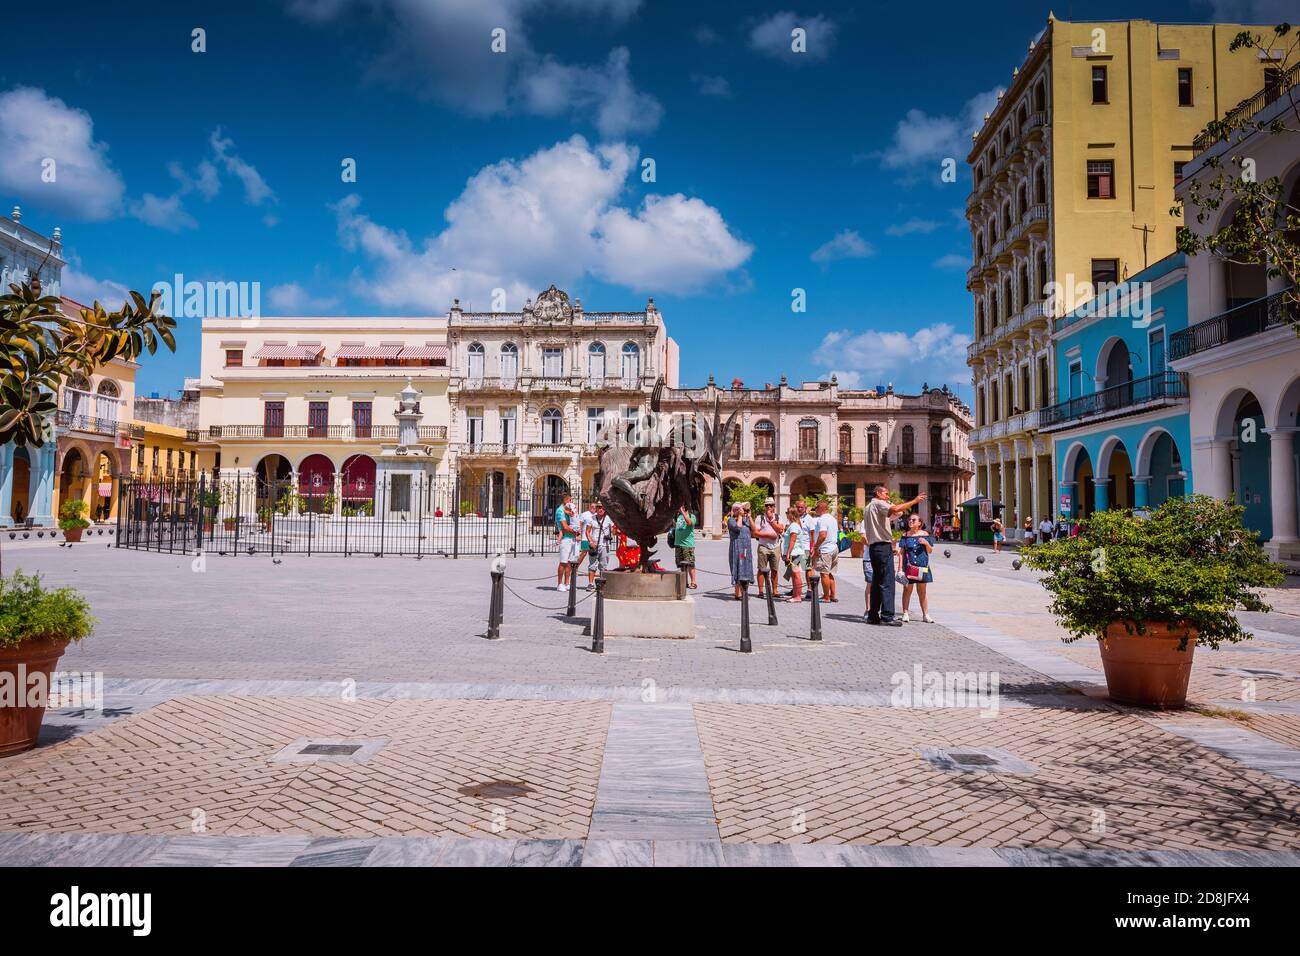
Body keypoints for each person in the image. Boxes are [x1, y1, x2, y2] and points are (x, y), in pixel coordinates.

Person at [861, 484, 926, 626]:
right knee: (887, 581)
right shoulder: (879, 504)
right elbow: (896, 509)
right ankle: (887, 615)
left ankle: (873, 615)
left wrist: (893, 505)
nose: (887, 496)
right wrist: (915, 501)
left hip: (874, 548)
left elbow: (897, 513)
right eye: (885, 493)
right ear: (878, 493)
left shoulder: (869, 507)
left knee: (877, 582)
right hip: (882, 546)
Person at [897, 513, 936, 623]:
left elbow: (930, 551)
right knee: (907, 590)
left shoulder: (925, 534)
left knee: (922, 591)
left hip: (922, 567)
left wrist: (926, 543)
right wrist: (900, 568)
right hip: (908, 567)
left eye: (914, 520)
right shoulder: (905, 535)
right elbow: (901, 553)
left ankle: (926, 615)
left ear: (920, 523)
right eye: (910, 520)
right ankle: (905, 613)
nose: (911, 521)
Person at [810, 498, 840, 603]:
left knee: (824, 574)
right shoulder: (832, 519)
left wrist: (816, 547)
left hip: (826, 549)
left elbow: (822, 535)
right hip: (834, 548)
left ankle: (826, 597)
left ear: (821, 508)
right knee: (830, 572)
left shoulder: (822, 519)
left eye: (816, 508)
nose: (815, 510)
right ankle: (833, 595)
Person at [753, 497, 784, 598]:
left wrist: (771, 520)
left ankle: (775, 591)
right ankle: (761, 591)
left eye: (771, 505)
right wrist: (770, 536)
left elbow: (780, 530)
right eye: (767, 505)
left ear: (774, 507)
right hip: (763, 546)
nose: (769, 507)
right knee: (761, 569)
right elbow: (755, 533)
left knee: (774, 570)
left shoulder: (778, 517)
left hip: (776, 546)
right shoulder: (760, 518)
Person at [726, 501, 755, 599]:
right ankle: (737, 593)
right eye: (742, 509)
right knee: (738, 568)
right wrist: (740, 516)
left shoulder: (746, 519)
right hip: (737, 549)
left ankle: (744, 592)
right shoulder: (731, 520)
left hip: (746, 549)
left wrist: (749, 516)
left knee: (745, 568)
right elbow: (737, 528)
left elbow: (754, 529)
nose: (744, 511)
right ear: (736, 510)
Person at [583, 502, 614, 589]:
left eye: (603, 508)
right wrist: (590, 542)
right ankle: (590, 583)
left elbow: (613, 530)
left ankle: (601, 584)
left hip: (605, 545)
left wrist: (613, 534)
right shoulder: (591, 518)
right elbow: (587, 531)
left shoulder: (608, 519)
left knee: (603, 565)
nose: (601, 509)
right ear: (596, 508)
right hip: (594, 545)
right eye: (599, 507)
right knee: (592, 565)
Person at [781, 505, 806, 602]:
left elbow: (793, 541)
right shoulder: (793, 525)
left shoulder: (794, 526)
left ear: (791, 515)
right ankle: (795, 595)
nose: (786, 515)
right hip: (794, 552)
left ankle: (798, 596)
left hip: (795, 553)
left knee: (796, 574)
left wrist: (787, 553)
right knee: (793, 574)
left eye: (787, 513)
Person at [555, 494, 579, 591]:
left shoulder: (569, 510)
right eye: (570, 499)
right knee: (563, 562)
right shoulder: (560, 511)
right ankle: (560, 583)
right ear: (565, 500)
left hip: (572, 538)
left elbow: (576, 520)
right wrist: (575, 532)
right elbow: (564, 527)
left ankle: (567, 583)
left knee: (569, 562)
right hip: (565, 539)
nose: (571, 501)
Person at [673, 504, 698, 590]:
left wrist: (683, 512)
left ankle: (693, 582)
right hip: (678, 544)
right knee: (681, 565)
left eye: (683, 506)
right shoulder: (678, 516)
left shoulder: (692, 516)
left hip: (687, 544)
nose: (682, 508)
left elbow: (689, 522)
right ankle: (684, 581)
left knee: (690, 564)